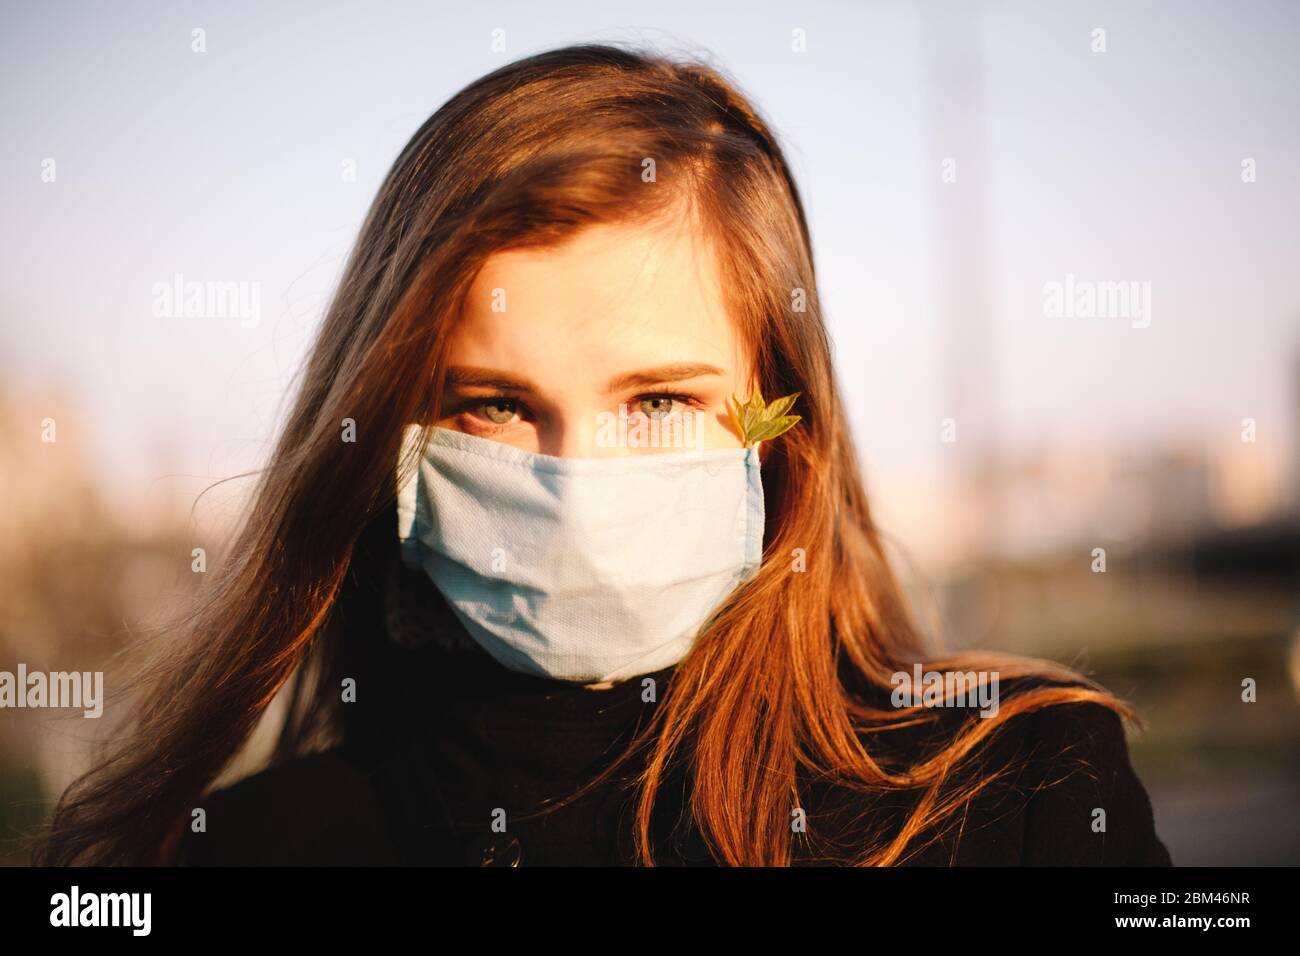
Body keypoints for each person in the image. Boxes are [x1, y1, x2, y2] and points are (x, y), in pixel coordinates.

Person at [35, 43, 1172, 867]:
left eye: (659, 399)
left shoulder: (1013, 793)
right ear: (388, 437)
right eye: (493, 405)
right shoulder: (246, 849)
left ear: (778, 426)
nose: (576, 483)